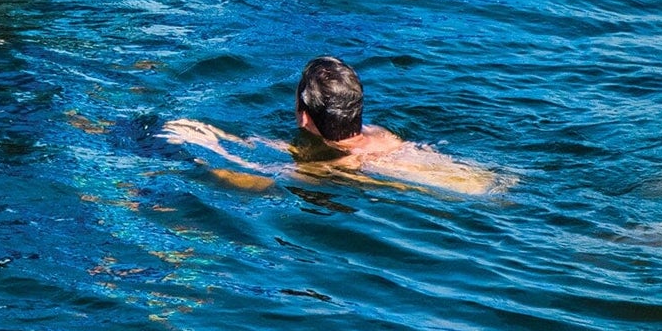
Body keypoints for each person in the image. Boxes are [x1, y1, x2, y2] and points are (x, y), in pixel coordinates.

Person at [161, 55, 504, 196]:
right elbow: (282, 151)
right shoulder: (380, 135)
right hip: (493, 179)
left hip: (479, 200)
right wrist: (219, 134)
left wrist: (207, 149)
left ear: (304, 116)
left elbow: (259, 179)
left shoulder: (342, 166)